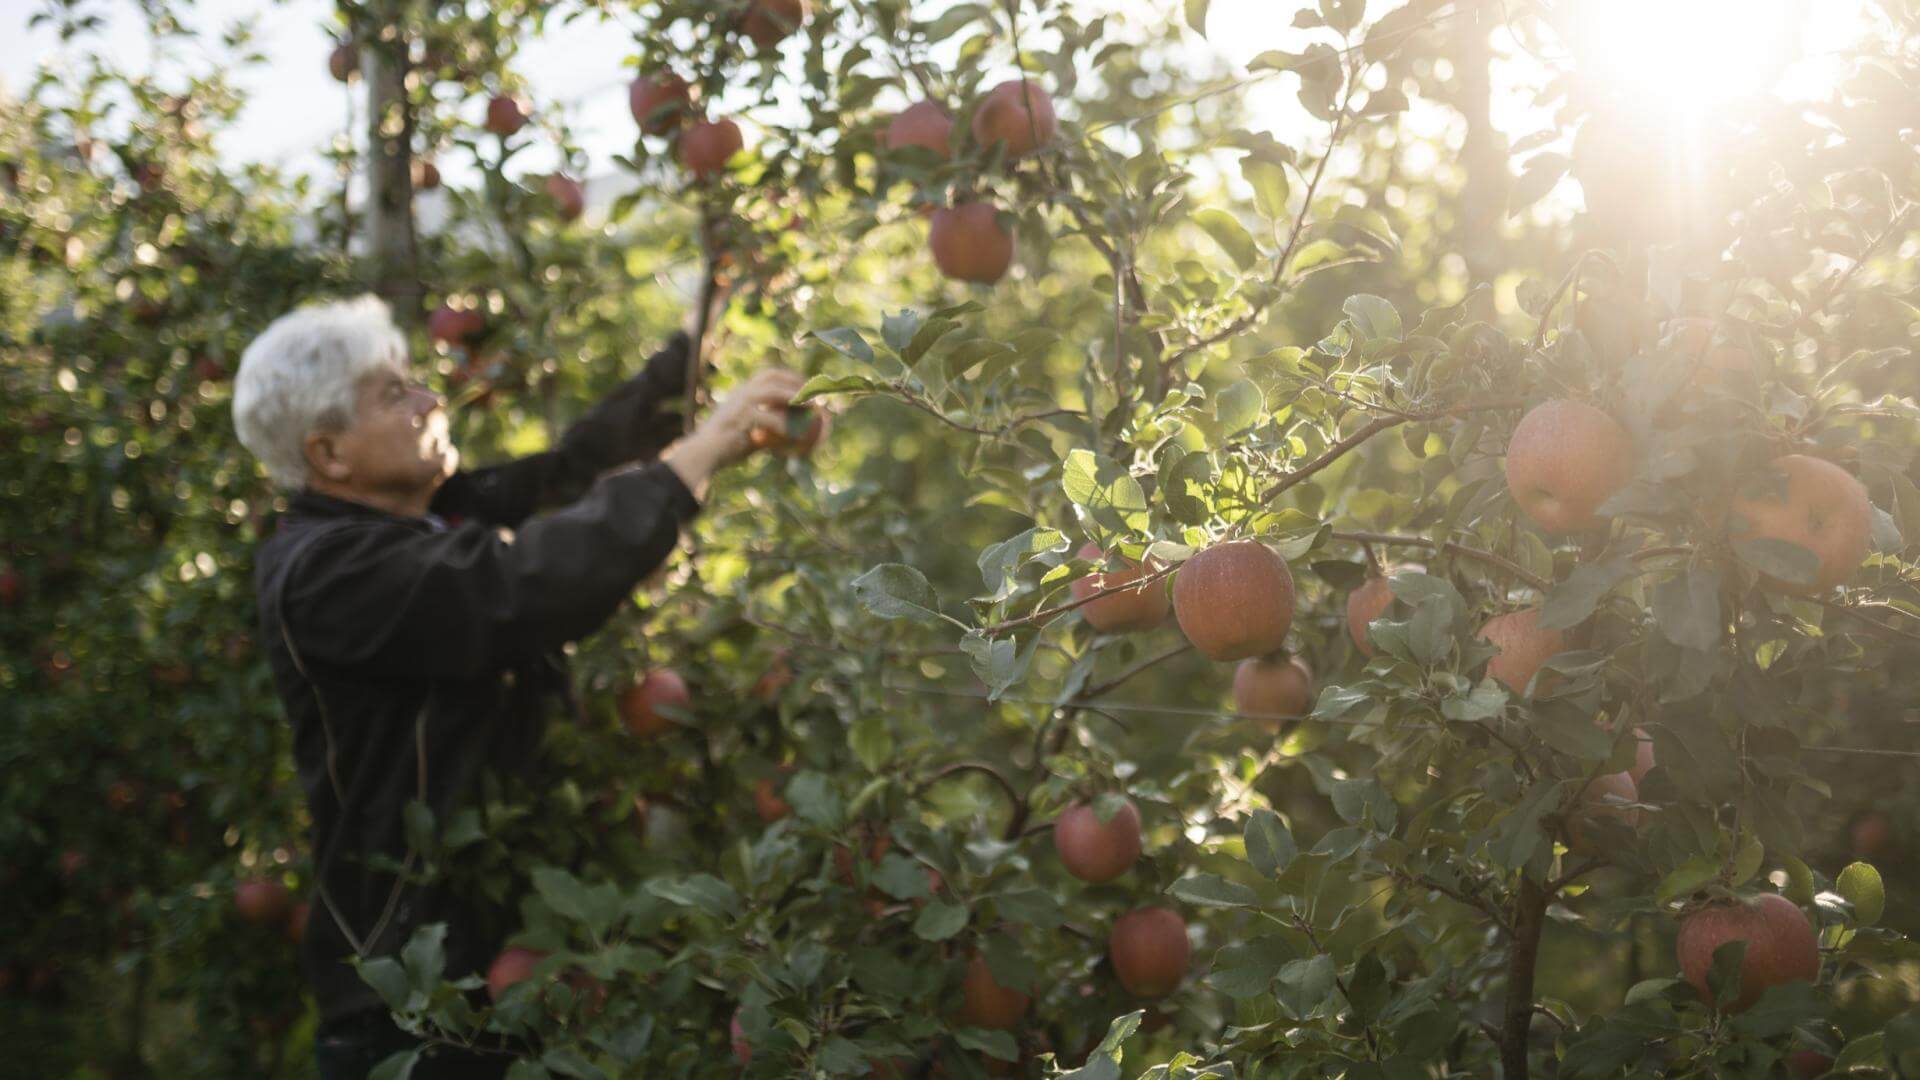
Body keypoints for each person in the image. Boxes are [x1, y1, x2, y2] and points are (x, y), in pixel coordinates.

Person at [231, 294, 802, 1078]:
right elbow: (517, 587)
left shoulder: (430, 516)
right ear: (329, 455)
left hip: (515, 963)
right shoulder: (323, 574)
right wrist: (700, 455)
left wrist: (699, 341)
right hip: (416, 1004)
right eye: (396, 395)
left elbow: (572, 474)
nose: (432, 400)